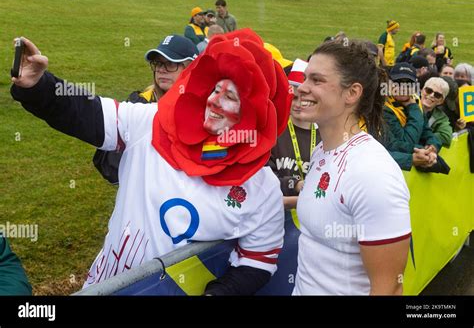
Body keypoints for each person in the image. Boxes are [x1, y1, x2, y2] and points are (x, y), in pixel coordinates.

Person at [10, 30, 292, 295]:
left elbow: (259, 261)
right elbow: (89, 113)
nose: (215, 102)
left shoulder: (262, 187)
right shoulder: (152, 121)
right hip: (107, 285)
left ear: (252, 112)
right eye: (215, 89)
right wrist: (39, 86)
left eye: (230, 97)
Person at [293, 40, 411, 295]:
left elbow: (389, 288)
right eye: (305, 78)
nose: (301, 88)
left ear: (352, 93)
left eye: (317, 80)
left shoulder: (373, 173)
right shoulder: (321, 151)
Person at [93, 35, 198, 184]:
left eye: (170, 64)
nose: (161, 70)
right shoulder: (141, 104)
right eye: (158, 64)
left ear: (190, 68)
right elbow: (108, 165)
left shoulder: (208, 108)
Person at [268, 59, 321, 210]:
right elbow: (264, 180)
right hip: (278, 215)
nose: (298, 104)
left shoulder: (324, 135)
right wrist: (296, 184)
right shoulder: (274, 132)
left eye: (305, 99)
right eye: (294, 98)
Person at [383, 63, 441, 171]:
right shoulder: (384, 108)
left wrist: (433, 146)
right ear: (389, 83)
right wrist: (413, 108)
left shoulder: (416, 101)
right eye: (398, 82)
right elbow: (407, 142)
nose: (403, 88)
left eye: (408, 84)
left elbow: (426, 132)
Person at [420, 77, 452, 147]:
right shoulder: (408, 105)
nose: (431, 95)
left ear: (441, 101)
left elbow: (446, 137)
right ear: (422, 91)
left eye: (437, 95)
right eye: (429, 90)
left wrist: (427, 137)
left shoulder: (441, 117)